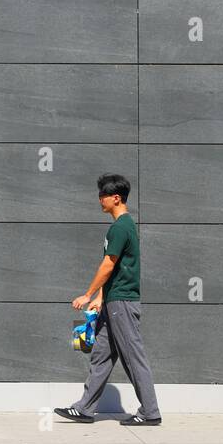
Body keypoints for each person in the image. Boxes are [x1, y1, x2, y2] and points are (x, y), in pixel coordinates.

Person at [55, 174, 161, 426]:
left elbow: (108, 265)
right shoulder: (122, 227)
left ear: (116, 198)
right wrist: (101, 297)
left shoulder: (121, 227)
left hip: (122, 303)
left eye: (103, 195)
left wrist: (88, 294)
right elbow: (116, 270)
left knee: (133, 356)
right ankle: (85, 408)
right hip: (113, 302)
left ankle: (150, 412)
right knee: (101, 355)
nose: (99, 199)